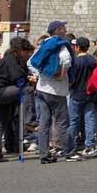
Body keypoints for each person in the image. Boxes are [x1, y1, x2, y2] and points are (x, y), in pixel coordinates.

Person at [28, 20, 79, 162]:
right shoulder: (60, 45)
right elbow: (67, 61)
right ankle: (69, 151)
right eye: (63, 28)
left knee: (44, 123)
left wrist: (40, 76)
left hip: (42, 88)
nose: (65, 29)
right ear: (58, 30)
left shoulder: (43, 45)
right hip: (57, 90)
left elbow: (31, 63)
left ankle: (43, 154)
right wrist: (61, 76)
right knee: (62, 122)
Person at [0, 37, 34, 162]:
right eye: (26, 51)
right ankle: (29, 120)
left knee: (0, 122)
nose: (27, 54)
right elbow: (17, 76)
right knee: (27, 90)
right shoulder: (11, 60)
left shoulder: (16, 60)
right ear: (18, 50)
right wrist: (28, 78)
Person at [67, 37, 97, 155]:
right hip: (90, 94)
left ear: (77, 47)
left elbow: (72, 79)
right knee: (89, 120)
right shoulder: (92, 60)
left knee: (73, 120)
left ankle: (73, 144)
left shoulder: (75, 62)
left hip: (76, 93)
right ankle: (89, 144)